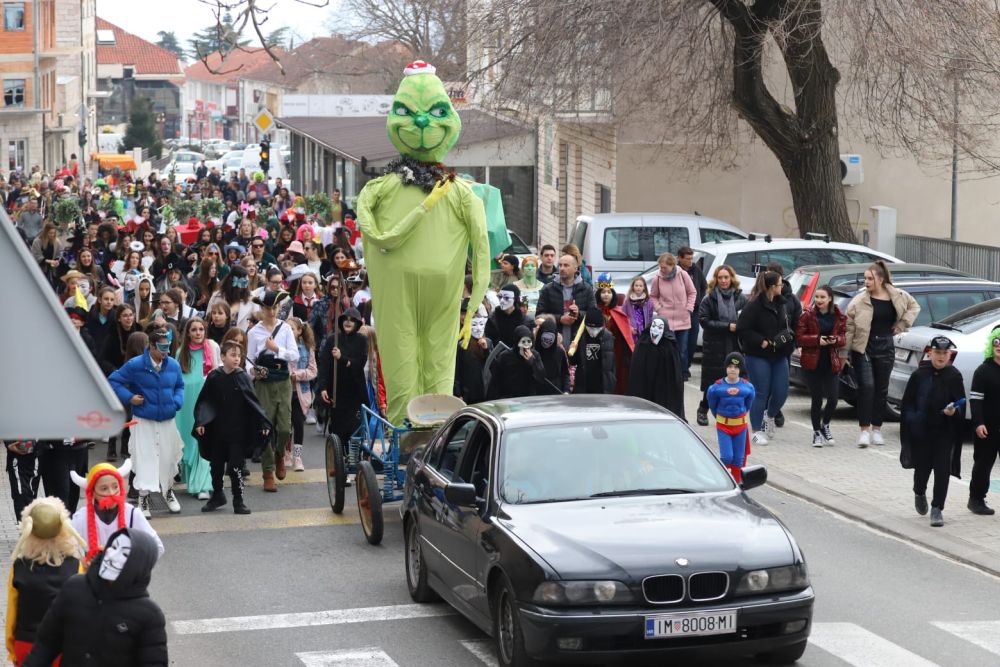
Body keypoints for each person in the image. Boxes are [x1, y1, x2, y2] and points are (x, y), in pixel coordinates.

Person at [22, 528, 168, 667]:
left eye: (124, 554)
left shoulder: (149, 615)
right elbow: (46, 644)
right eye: (113, 547)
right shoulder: (74, 588)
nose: (111, 555)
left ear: (138, 566)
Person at [108, 327, 185, 518]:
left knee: (168, 457)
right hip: (143, 420)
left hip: (167, 419)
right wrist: (130, 397)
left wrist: (177, 401)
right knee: (144, 458)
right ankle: (143, 497)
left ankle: (168, 492)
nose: (165, 351)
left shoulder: (173, 365)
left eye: (167, 347)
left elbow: (179, 386)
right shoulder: (135, 365)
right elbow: (114, 380)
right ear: (150, 346)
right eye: (161, 347)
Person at [845, 261, 919, 447]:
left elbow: (914, 307)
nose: (867, 282)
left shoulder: (898, 295)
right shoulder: (859, 301)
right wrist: (843, 353)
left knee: (881, 389)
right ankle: (864, 430)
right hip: (863, 347)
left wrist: (901, 325)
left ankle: (877, 429)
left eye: (870, 278)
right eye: (865, 278)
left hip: (886, 345)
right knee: (867, 387)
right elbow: (848, 326)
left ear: (881, 278)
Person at [193, 341, 273, 514]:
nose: (237, 359)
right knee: (215, 466)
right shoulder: (214, 376)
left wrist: (263, 423)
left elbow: (254, 403)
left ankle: (239, 500)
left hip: (238, 432)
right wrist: (200, 421)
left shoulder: (242, 376)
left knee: (236, 467)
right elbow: (205, 401)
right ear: (222, 357)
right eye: (232, 355)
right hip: (217, 431)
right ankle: (217, 496)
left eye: (239, 355)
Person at [6, 498, 84, 666]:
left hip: (26, 643)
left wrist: (12, 647)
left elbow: (13, 611)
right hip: (64, 645)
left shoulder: (19, 567)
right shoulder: (75, 566)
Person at [900, 336, 965, 527]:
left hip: (944, 432)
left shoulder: (954, 375)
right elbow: (907, 405)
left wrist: (953, 411)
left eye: (945, 353)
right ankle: (919, 491)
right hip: (922, 432)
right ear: (930, 353)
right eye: (938, 352)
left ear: (950, 355)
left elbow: (961, 403)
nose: (941, 357)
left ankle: (937, 508)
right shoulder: (919, 375)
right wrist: (914, 420)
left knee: (942, 471)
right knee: (922, 470)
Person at [246, 289, 299, 491]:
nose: (272, 311)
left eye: (275, 307)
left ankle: (279, 454)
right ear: (262, 309)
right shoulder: (253, 332)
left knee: (284, 427)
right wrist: (253, 371)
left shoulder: (285, 329)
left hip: (283, 381)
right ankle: (268, 472)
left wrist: (277, 349)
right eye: (268, 308)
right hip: (264, 383)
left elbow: (293, 355)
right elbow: (247, 360)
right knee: (265, 427)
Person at [737, 271, 794, 445]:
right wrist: (760, 341)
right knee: (761, 391)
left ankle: (769, 415)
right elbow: (742, 329)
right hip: (758, 355)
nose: (782, 287)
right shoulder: (754, 305)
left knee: (781, 392)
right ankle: (755, 430)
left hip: (779, 354)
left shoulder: (781, 303)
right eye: (779, 284)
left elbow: (786, 325)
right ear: (771, 287)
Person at [69, 461, 163, 565]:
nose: (111, 493)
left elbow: (157, 547)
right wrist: (83, 562)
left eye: (115, 486)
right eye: (104, 489)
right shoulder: (81, 518)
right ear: (93, 493)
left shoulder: (133, 514)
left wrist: (133, 565)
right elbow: (67, 552)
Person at [174, 318, 219, 500]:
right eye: (194, 330)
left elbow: (216, 374)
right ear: (188, 333)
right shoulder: (180, 353)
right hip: (185, 406)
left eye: (201, 329)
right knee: (189, 443)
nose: (198, 333)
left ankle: (203, 486)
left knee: (204, 441)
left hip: (205, 403)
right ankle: (192, 481)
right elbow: (176, 380)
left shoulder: (212, 348)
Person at [796, 285, 847, 446]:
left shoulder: (838, 316)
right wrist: (817, 340)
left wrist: (835, 340)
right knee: (816, 399)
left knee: (833, 398)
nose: (818, 300)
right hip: (812, 362)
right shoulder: (807, 316)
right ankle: (816, 432)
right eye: (816, 297)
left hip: (831, 361)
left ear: (830, 298)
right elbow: (799, 338)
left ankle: (825, 425)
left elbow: (843, 338)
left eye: (822, 297)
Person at [696, 265, 747, 426]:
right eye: (720, 278)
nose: (724, 281)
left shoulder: (740, 297)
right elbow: (704, 321)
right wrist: (727, 326)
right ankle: (703, 408)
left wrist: (739, 326)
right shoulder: (709, 298)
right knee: (713, 380)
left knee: (734, 378)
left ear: (732, 278)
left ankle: (731, 412)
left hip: (734, 344)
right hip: (714, 344)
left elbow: (746, 317)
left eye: (726, 277)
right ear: (716, 280)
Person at [317, 308, 369, 457]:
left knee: (355, 431)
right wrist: (323, 387)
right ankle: (341, 465)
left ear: (357, 323)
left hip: (355, 393)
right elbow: (324, 365)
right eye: (345, 318)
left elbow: (359, 363)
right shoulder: (332, 339)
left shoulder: (361, 340)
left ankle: (355, 461)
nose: (348, 321)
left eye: (352, 320)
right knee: (338, 433)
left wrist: (342, 358)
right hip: (337, 392)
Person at [764, 262, 803, 429]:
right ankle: (767, 410)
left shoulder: (791, 299)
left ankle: (775, 409)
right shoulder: (760, 296)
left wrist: (794, 342)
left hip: (783, 348)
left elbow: (797, 323)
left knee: (780, 383)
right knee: (764, 381)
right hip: (764, 347)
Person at [707, 352, 755, 483]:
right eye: (730, 366)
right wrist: (721, 418)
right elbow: (713, 406)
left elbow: (747, 405)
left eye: (736, 367)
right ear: (726, 368)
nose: (732, 369)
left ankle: (736, 485)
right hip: (724, 427)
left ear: (740, 369)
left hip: (740, 427)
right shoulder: (716, 388)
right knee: (727, 457)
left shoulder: (748, 387)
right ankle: (717, 478)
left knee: (738, 460)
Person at [627, 316, 685, 419]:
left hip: (662, 388)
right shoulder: (642, 344)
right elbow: (636, 372)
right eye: (653, 326)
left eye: (659, 328)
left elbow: (674, 377)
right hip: (645, 387)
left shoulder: (669, 347)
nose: (655, 330)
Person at [968, 327, 1000, 516]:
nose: (999, 346)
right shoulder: (983, 370)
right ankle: (976, 499)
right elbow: (975, 400)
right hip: (987, 428)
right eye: (997, 342)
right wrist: (978, 423)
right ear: (991, 344)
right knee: (983, 463)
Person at [649, 252, 696, 378]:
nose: (662, 270)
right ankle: (668, 373)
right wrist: (659, 309)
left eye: (664, 267)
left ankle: (682, 373)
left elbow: (692, 292)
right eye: (660, 267)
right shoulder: (657, 278)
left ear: (672, 265)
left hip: (683, 319)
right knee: (668, 349)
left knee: (682, 350)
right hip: (666, 320)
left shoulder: (683, 275)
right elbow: (653, 296)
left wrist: (689, 308)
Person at [535, 254, 595, 351]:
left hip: (579, 344)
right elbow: (538, 316)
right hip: (554, 344)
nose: (562, 268)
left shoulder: (586, 289)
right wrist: (560, 319)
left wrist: (578, 314)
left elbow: (594, 316)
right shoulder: (548, 289)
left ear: (576, 268)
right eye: (560, 265)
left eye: (566, 265)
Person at [487, 325, 553, 399]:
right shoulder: (505, 356)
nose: (526, 345)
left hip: (528, 398)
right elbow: (495, 379)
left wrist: (532, 362)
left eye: (529, 341)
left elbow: (542, 377)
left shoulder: (535, 355)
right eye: (523, 342)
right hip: (508, 397)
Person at [287, 317, 317, 472]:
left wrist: (297, 374)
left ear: (299, 331)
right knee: (285, 426)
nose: (288, 331)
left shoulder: (307, 348)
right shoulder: (280, 347)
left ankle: (297, 456)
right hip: (283, 392)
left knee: (298, 424)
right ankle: (287, 452)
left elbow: (313, 371)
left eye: (291, 328)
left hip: (300, 393)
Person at [594, 274, 634, 394]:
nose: (606, 294)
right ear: (598, 294)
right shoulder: (594, 311)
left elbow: (626, 335)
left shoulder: (618, 312)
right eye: (603, 292)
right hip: (598, 349)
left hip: (616, 351)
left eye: (609, 292)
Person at [569, 307, 616, 394]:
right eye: (590, 328)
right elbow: (573, 362)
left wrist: (611, 382)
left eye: (596, 329)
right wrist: (572, 350)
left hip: (602, 384)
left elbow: (611, 364)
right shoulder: (579, 337)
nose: (593, 331)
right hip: (584, 383)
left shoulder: (608, 337)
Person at [677, 247, 707, 379]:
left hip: (694, 311)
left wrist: (699, 300)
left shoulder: (696, 270)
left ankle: (687, 366)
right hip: (680, 312)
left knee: (692, 341)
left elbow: (703, 285)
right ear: (680, 258)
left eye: (691, 258)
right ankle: (681, 369)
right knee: (681, 343)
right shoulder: (676, 270)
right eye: (687, 259)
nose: (690, 261)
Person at [454, 310, 493, 404]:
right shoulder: (462, 345)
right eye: (474, 325)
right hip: (469, 393)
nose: (478, 328)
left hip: (486, 392)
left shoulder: (488, 342)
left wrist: (486, 349)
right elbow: (457, 370)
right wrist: (458, 392)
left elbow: (493, 365)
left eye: (481, 324)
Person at [485, 284, 533, 349]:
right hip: (496, 356)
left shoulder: (525, 321)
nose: (502, 300)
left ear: (515, 299)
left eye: (506, 298)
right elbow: (488, 340)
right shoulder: (493, 318)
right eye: (500, 297)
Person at [535, 316, 570, 394]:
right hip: (537, 395)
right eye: (545, 338)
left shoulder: (560, 352)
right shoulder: (533, 352)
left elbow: (565, 373)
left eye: (550, 338)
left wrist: (566, 390)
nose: (547, 342)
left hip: (556, 393)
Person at [621, 276, 654, 341]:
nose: (638, 287)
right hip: (633, 331)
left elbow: (650, 316)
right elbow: (623, 316)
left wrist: (648, 329)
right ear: (633, 286)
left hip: (644, 331)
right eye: (636, 285)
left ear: (644, 287)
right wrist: (630, 328)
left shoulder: (648, 300)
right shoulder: (627, 300)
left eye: (640, 286)